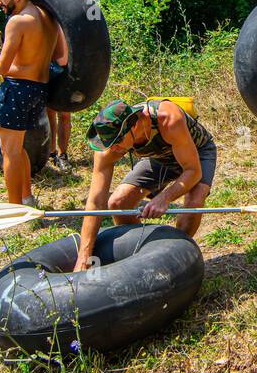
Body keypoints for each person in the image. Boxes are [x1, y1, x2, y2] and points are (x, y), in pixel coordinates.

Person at [76, 98, 217, 271]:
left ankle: (177, 257)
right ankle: (141, 252)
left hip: (197, 153)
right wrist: (84, 255)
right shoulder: (108, 149)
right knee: (118, 203)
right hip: (158, 159)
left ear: (133, 126)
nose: (112, 149)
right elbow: (96, 202)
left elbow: (193, 172)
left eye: (116, 143)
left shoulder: (168, 118)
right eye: (108, 144)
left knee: (194, 202)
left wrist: (164, 198)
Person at [0, 0, 58, 206]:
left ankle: (13, 206)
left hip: (17, 88)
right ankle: (27, 197)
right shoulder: (48, 19)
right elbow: (61, 57)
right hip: (38, 90)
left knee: (8, 150)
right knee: (18, 148)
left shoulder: (18, 21)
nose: (0, 3)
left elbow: (3, 65)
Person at [46, 24, 72, 171]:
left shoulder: (69, 17)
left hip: (67, 70)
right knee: (49, 113)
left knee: (65, 114)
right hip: (48, 68)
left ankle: (63, 155)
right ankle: (51, 153)